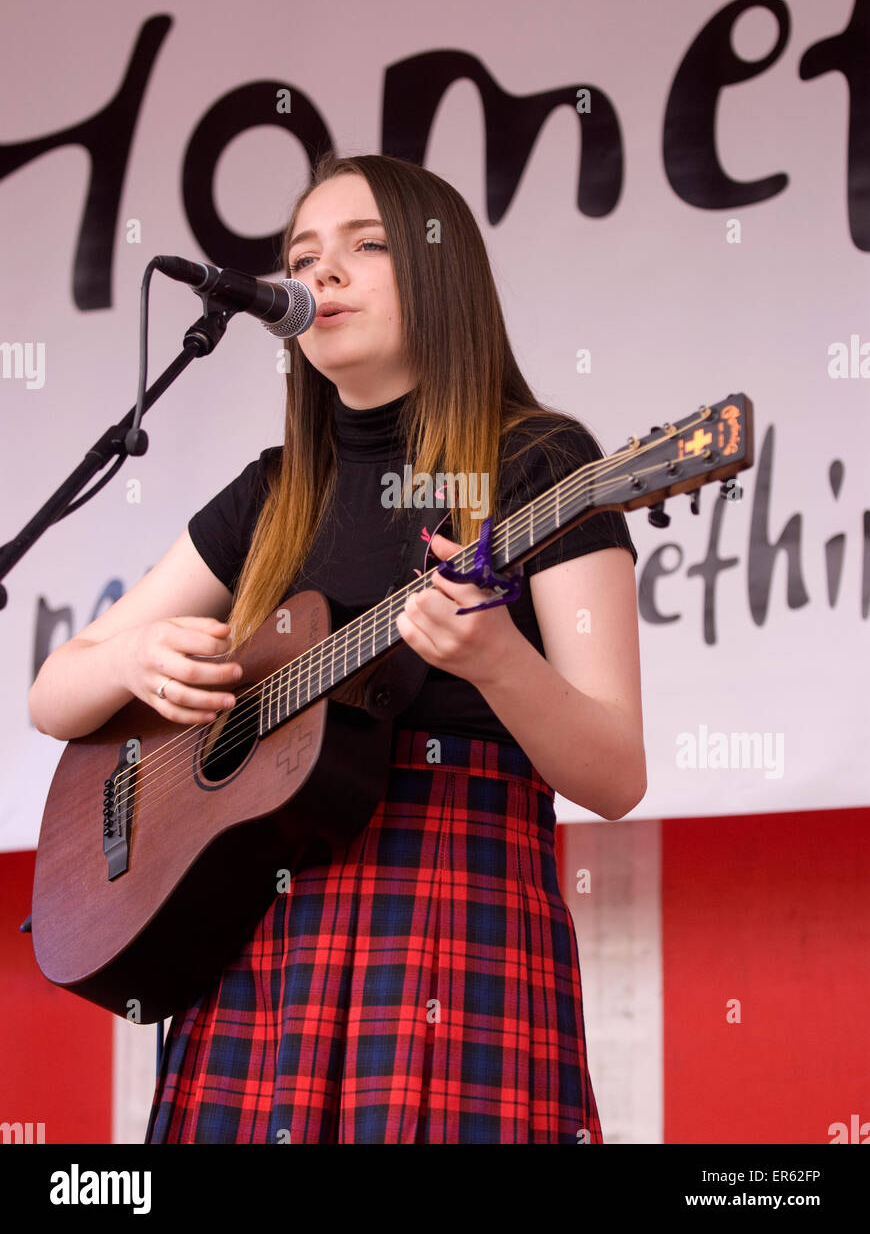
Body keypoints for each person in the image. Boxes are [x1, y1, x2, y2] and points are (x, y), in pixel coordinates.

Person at [29, 152, 646, 1144]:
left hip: (450, 909)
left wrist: (496, 660)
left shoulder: (541, 463)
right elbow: (58, 694)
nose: (324, 274)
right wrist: (126, 665)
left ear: (443, 275)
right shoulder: (273, 493)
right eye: (303, 257)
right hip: (254, 931)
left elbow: (616, 770)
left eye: (366, 246)